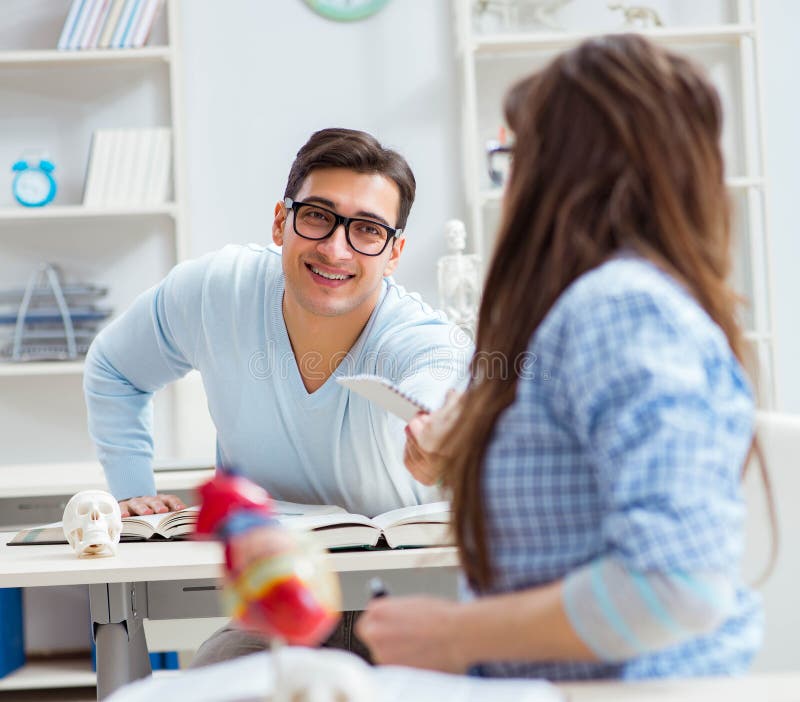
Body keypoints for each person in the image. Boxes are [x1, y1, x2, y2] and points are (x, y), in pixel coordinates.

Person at [357, 34, 768, 680]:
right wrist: (463, 451)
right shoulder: (582, 311)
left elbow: (676, 584)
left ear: (565, 170)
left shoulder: (621, 309)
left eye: (515, 155)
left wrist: (454, 635)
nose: (509, 183)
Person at [83, 127, 470, 662]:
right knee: (216, 682)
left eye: (367, 230)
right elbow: (113, 367)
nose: (335, 248)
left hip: (406, 604)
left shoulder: (417, 334)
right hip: (274, 607)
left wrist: (441, 434)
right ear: (280, 221)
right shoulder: (217, 291)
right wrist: (131, 489)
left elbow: (441, 383)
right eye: (317, 216)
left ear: (394, 252)